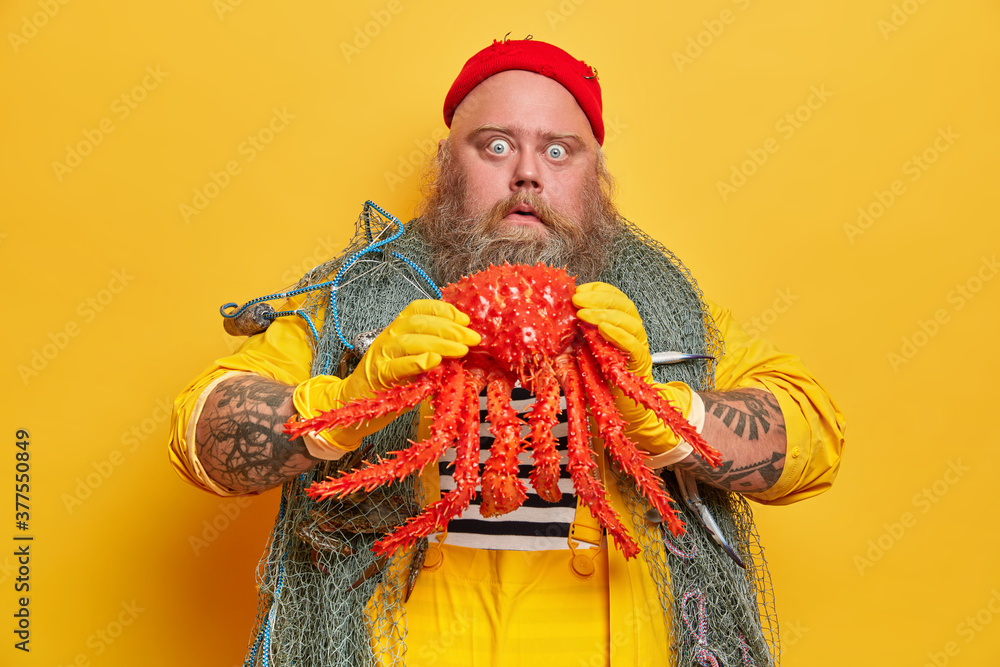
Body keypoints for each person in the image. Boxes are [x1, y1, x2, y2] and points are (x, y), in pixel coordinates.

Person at [169, 37, 844, 667]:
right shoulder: (357, 307)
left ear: (596, 175)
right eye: (494, 146)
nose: (526, 173)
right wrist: (345, 403)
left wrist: (662, 414)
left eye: (558, 151)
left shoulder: (667, 312)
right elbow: (201, 430)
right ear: (445, 165)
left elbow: (812, 434)